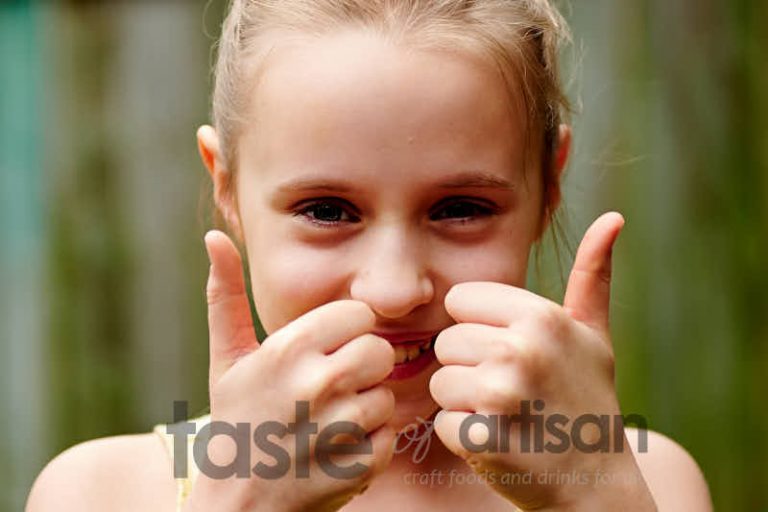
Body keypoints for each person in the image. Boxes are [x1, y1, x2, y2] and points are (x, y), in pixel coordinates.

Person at [27, 1, 713, 510]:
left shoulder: (654, 484)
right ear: (226, 187)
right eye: (327, 210)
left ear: (551, 184)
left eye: (460, 209)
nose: (393, 288)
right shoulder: (96, 492)